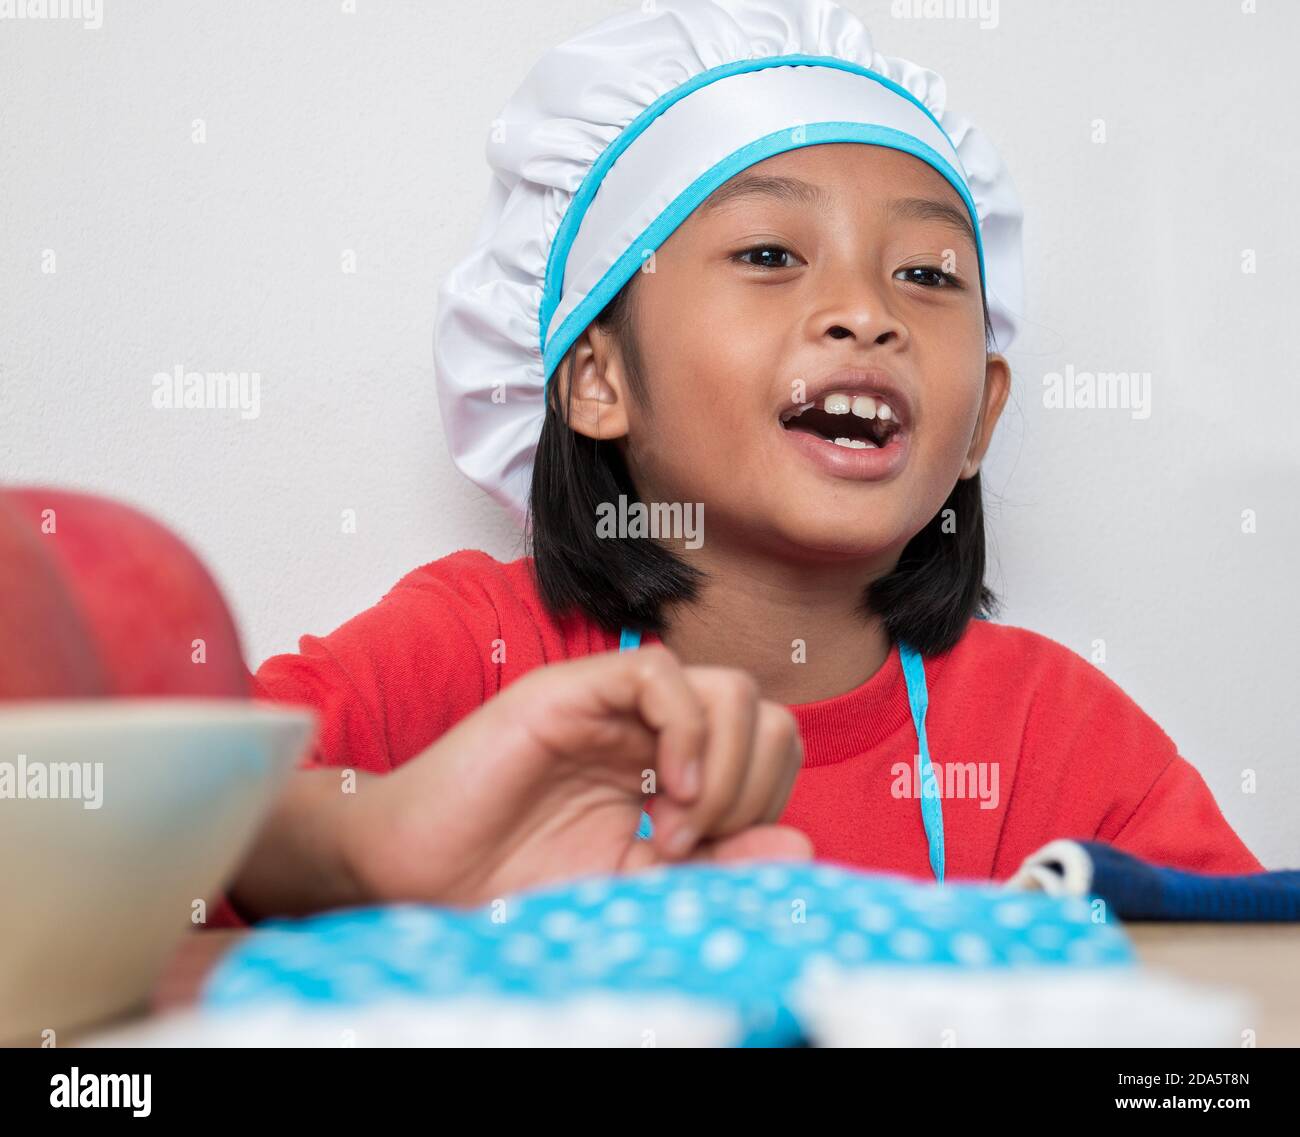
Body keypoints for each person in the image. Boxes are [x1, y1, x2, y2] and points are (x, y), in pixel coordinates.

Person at [230, 0, 1262, 921]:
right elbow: (169, 832)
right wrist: (380, 838)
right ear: (597, 376)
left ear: (981, 420)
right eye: (769, 254)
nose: (866, 314)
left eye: (925, 273)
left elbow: (1245, 999)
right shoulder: (471, 656)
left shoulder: (1056, 734)